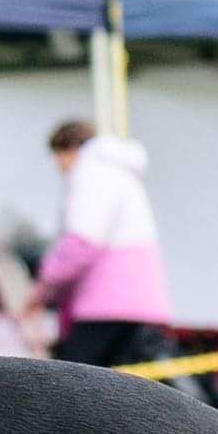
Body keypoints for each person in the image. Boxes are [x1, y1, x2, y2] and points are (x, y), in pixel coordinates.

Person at [34, 117, 175, 368]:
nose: (58, 166)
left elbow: (82, 243)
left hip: (107, 304)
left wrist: (45, 283)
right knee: (120, 381)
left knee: (71, 378)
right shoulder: (118, 173)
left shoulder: (92, 173)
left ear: (69, 149)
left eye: (57, 156)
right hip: (136, 301)